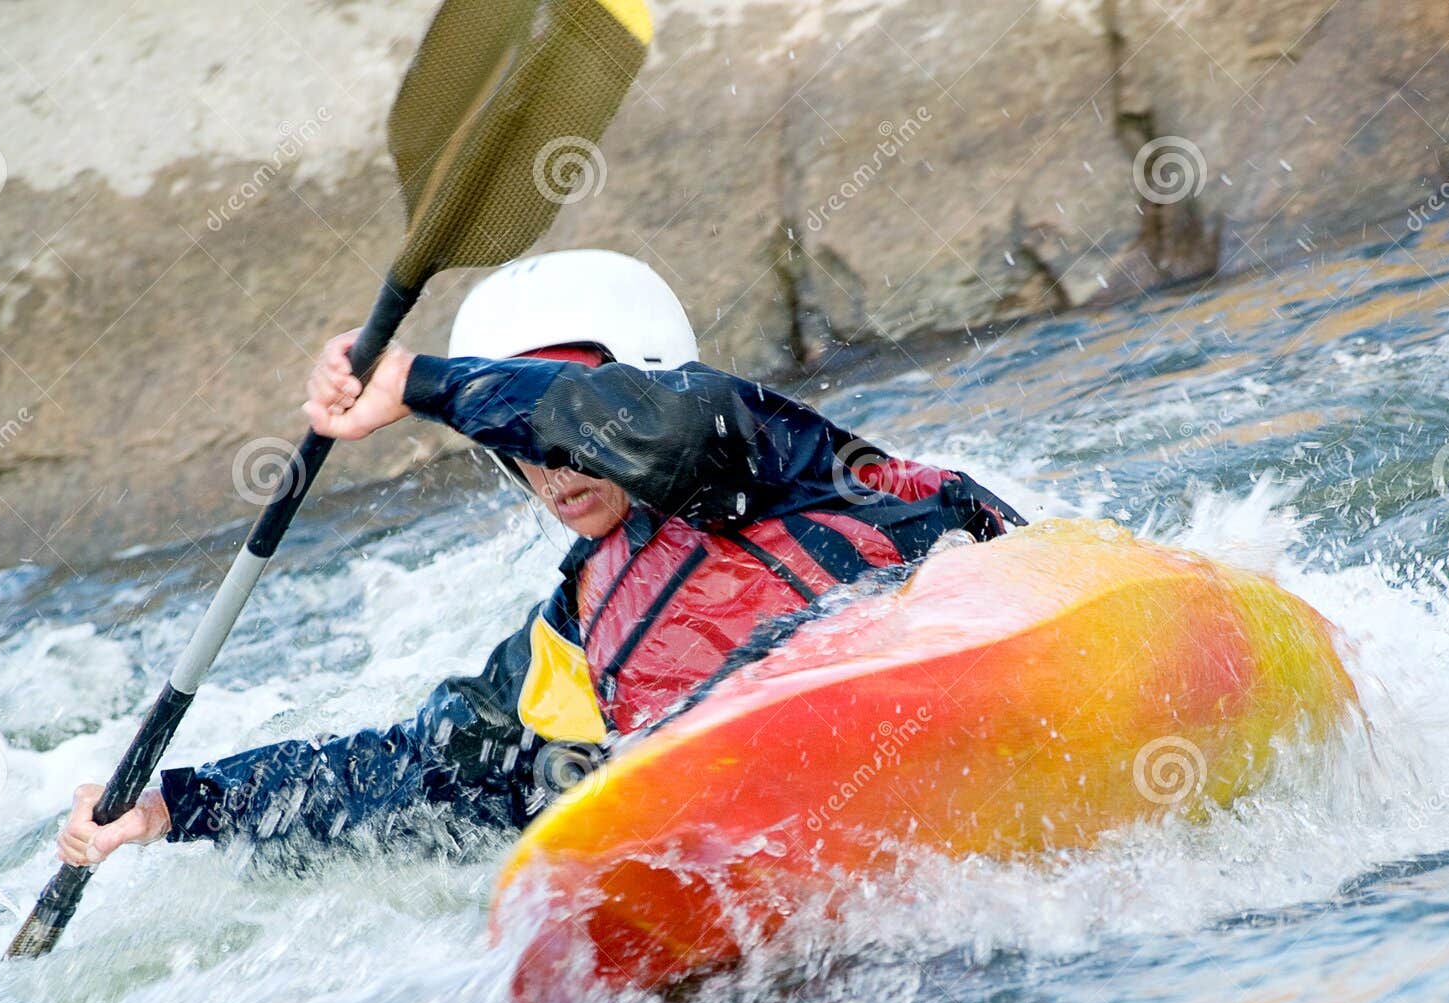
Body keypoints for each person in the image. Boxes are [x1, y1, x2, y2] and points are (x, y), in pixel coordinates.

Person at [57, 250, 1023, 867]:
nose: (544, 464)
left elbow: (652, 435)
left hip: (980, 673)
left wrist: (421, 382)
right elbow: (429, 774)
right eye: (512, 442)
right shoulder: (577, 631)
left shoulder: (758, 450)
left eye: (554, 420)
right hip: (797, 808)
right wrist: (176, 806)